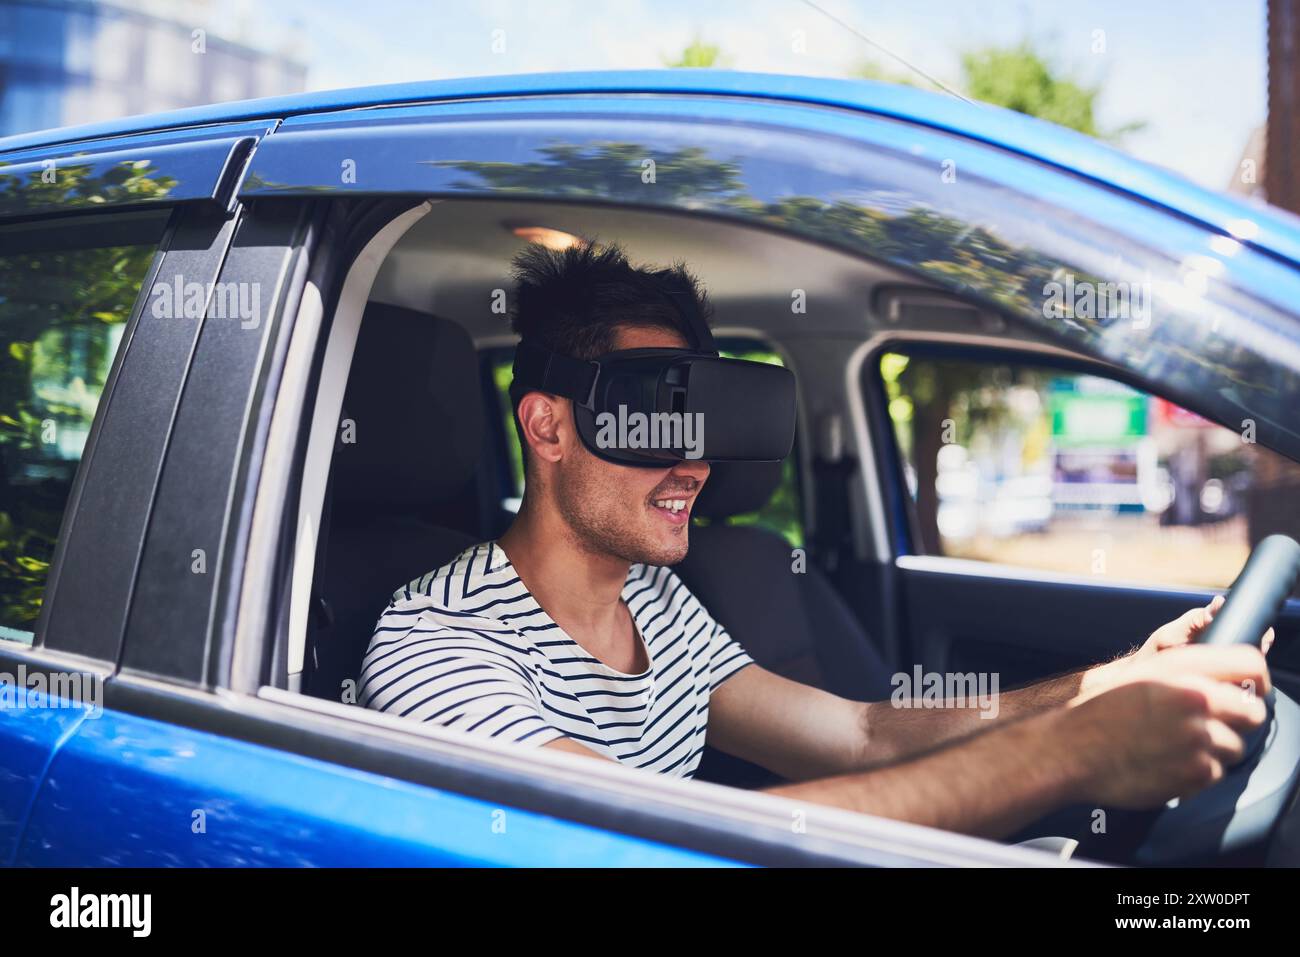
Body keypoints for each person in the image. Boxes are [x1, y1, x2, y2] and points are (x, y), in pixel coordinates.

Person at [358, 242, 1271, 840]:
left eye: (707, 421)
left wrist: (1110, 682)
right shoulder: (437, 644)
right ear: (548, 428)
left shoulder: (652, 600)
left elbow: (862, 734)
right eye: (651, 420)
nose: (694, 466)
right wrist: (1074, 752)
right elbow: (641, 844)